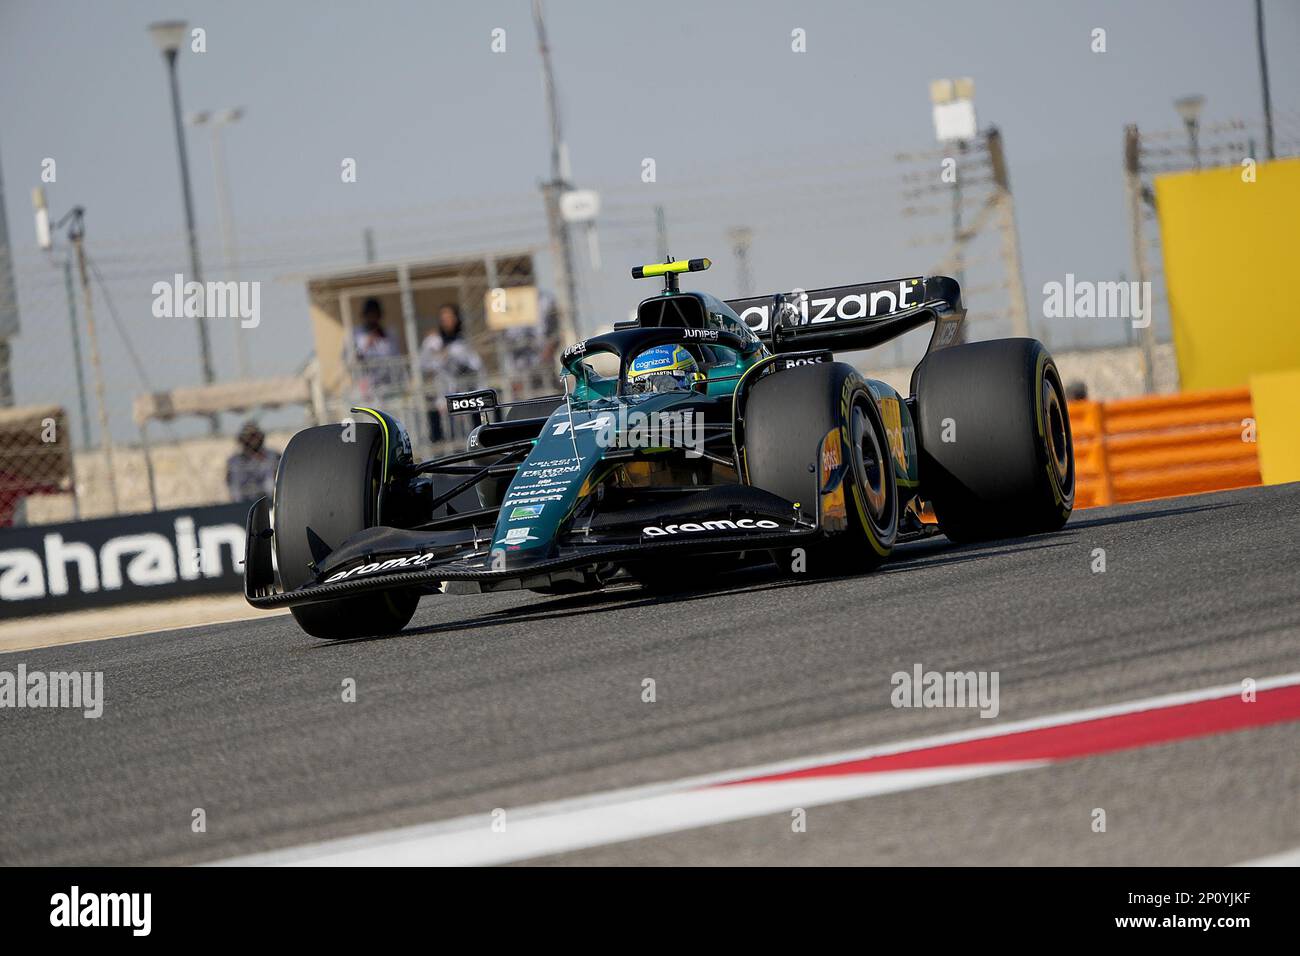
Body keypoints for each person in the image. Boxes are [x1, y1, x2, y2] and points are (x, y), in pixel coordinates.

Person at [420, 304, 484, 442]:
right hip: (440, 394)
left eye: (450, 317)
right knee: (441, 437)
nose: (447, 321)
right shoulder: (432, 342)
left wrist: (453, 355)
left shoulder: (462, 343)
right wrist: (438, 357)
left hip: (461, 394)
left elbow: (475, 365)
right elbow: (424, 365)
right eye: (444, 318)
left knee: (467, 434)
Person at [351, 298, 400, 397]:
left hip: (388, 384)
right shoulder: (356, 334)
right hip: (367, 386)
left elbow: (395, 356)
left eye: (375, 314)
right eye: (370, 314)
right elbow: (351, 358)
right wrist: (366, 344)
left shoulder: (388, 334)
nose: (373, 318)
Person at [226, 420, 281, 502]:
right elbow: (234, 487)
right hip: (242, 505)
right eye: (248, 437)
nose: (252, 441)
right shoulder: (234, 461)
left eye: (254, 436)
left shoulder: (273, 456)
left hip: (269, 503)